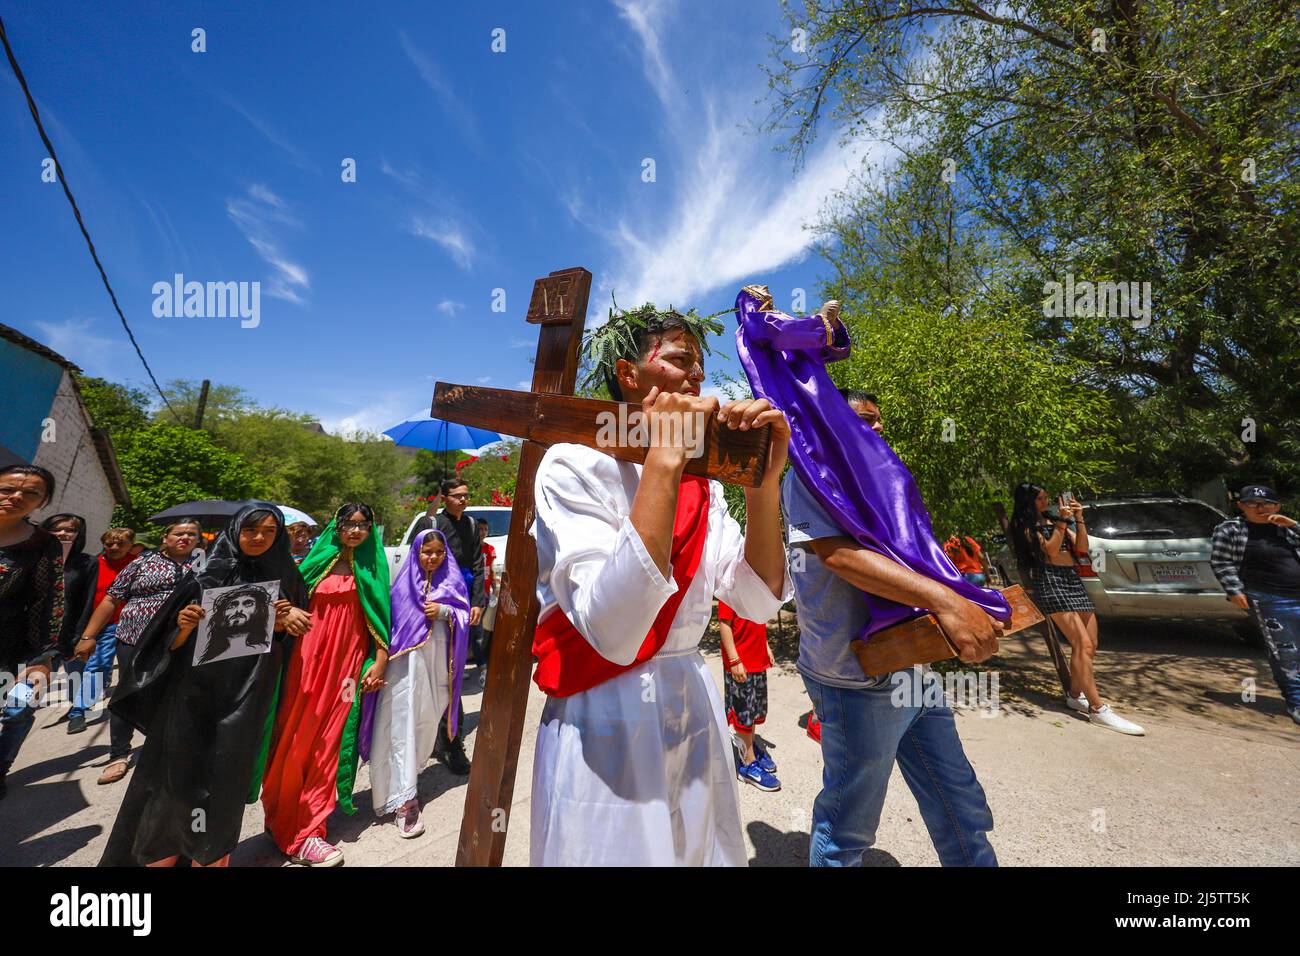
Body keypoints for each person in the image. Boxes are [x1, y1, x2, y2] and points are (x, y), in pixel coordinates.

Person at [733, 290, 1010, 867]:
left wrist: (954, 588)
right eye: (856, 421)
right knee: (849, 826)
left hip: (910, 666)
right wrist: (948, 602)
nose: (870, 429)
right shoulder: (810, 472)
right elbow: (834, 554)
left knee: (959, 802)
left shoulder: (878, 482)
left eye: (874, 422)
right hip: (855, 675)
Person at [528, 301, 792, 866]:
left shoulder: (708, 481)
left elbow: (757, 597)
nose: (696, 376)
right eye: (677, 361)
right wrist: (665, 460)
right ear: (629, 374)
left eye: (699, 364)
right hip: (606, 715)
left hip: (688, 701)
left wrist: (762, 485)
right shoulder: (572, 463)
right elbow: (614, 629)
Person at [99, 504, 310, 867]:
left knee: (224, 786)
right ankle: (162, 855)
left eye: (269, 531)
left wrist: (284, 625)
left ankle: (210, 857)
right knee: (175, 784)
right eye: (251, 529)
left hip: (246, 699)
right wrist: (182, 626)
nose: (259, 538)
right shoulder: (203, 578)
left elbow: (290, 646)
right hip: (190, 698)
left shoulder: (286, 581)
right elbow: (166, 648)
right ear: (235, 530)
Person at [260, 502, 391, 867]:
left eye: (363, 524)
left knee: (330, 743)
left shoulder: (373, 567)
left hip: (347, 671)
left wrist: (378, 663)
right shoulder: (312, 563)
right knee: (295, 740)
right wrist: (285, 613)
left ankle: (309, 830)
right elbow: (280, 609)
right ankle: (282, 817)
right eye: (348, 523)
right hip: (305, 665)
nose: (355, 530)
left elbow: (381, 622)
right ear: (336, 526)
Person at [1008, 483, 1144, 734]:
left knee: (1090, 643)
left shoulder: (1052, 519)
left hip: (1072, 579)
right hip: (1050, 581)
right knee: (1081, 643)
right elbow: (1048, 551)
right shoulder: (1024, 526)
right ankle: (1098, 708)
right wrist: (1061, 522)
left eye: (1047, 498)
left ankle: (1074, 694)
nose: (1046, 502)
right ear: (1028, 501)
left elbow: (1081, 549)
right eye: (1041, 498)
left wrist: (1078, 519)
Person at [360, 529, 470, 837]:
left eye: (438, 553)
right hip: (403, 674)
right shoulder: (401, 586)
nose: (432, 558)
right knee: (398, 727)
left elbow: (463, 615)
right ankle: (405, 801)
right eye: (426, 552)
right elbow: (388, 627)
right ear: (416, 553)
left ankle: (408, 785)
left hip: (435, 672)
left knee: (423, 726)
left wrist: (445, 611)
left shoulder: (453, 581)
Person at [78, 519, 202, 785]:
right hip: (135, 637)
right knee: (129, 691)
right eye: (179, 533)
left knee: (176, 693)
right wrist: (89, 636)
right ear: (165, 537)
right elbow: (112, 598)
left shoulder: (205, 565)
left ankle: (167, 749)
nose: (185, 538)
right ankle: (119, 755)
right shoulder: (141, 563)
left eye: (192, 534)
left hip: (182, 638)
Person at [0, 465, 65, 800]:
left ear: (43, 501)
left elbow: (49, 600)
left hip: (12, 646)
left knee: (19, 708)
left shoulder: (43, 545)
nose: (15, 497)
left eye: (29, 493)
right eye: (7, 489)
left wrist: (42, 658)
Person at [1210, 484, 1300, 725]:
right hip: (1268, 598)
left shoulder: (1287, 529)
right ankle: (1297, 701)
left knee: (1285, 650)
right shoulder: (1230, 529)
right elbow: (1221, 561)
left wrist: (1293, 525)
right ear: (1241, 506)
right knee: (1287, 651)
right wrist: (1234, 590)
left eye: (1267, 504)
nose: (1260, 508)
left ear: (1277, 506)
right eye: (1253, 503)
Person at [422, 478, 484, 773]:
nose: (463, 500)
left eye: (466, 495)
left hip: (461, 607)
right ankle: (437, 740)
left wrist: (478, 602)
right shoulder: (433, 524)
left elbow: (477, 564)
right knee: (435, 676)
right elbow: (421, 567)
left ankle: (452, 742)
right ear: (444, 498)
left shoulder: (471, 526)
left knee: (453, 674)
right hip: (434, 608)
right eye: (457, 496)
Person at [41, 515, 96, 733]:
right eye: (58, 529)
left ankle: (78, 712)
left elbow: (87, 602)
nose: (64, 533)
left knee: (77, 676)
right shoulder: (35, 559)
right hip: (36, 638)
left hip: (70, 634)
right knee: (26, 689)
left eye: (70, 530)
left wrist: (81, 636)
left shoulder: (86, 563)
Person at [717, 600, 779, 791]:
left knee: (755, 709)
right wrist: (734, 659)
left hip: (756, 657)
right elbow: (724, 624)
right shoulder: (729, 587)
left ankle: (750, 745)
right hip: (741, 662)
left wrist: (765, 646)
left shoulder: (752, 585)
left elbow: (758, 620)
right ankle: (747, 763)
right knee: (743, 711)